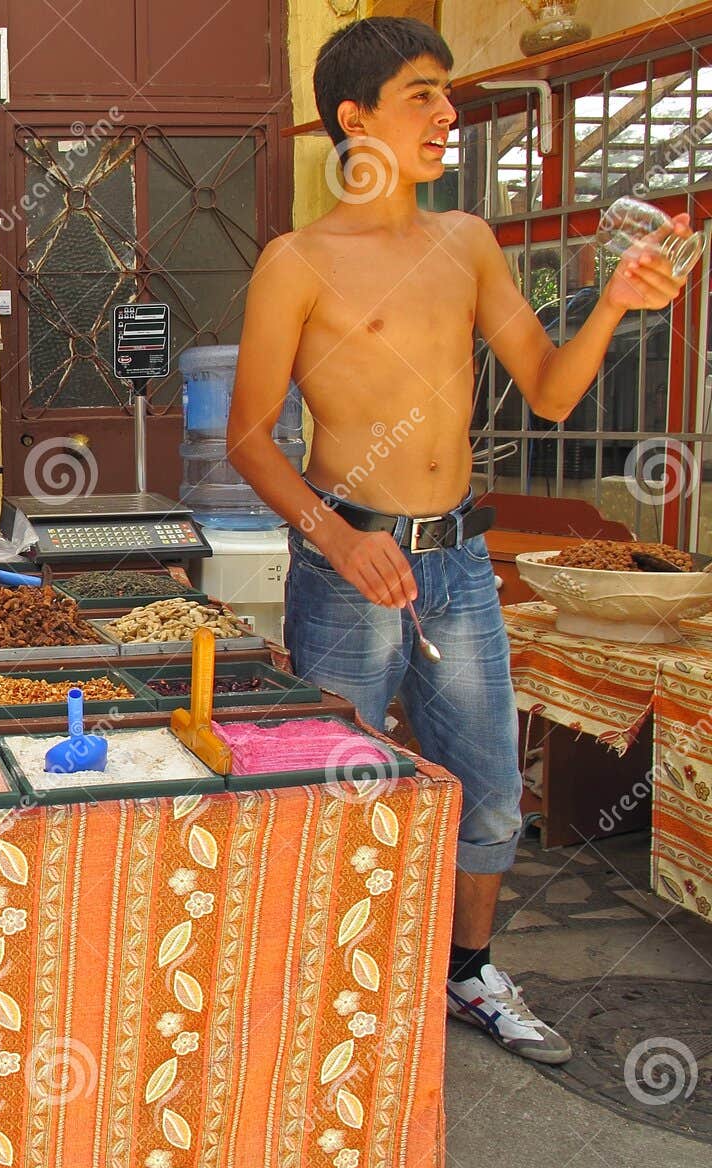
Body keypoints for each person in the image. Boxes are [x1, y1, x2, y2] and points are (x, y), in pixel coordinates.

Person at [226, 16, 690, 1064]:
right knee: (339, 786)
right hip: (349, 563)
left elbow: (555, 392)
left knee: (486, 791)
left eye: (449, 94)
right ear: (356, 119)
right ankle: (329, 989)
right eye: (423, 95)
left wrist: (616, 301)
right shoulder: (295, 263)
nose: (448, 114)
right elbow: (249, 439)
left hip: (459, 562)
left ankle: (465, 973)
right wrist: (339, 542)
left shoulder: (466, 242)